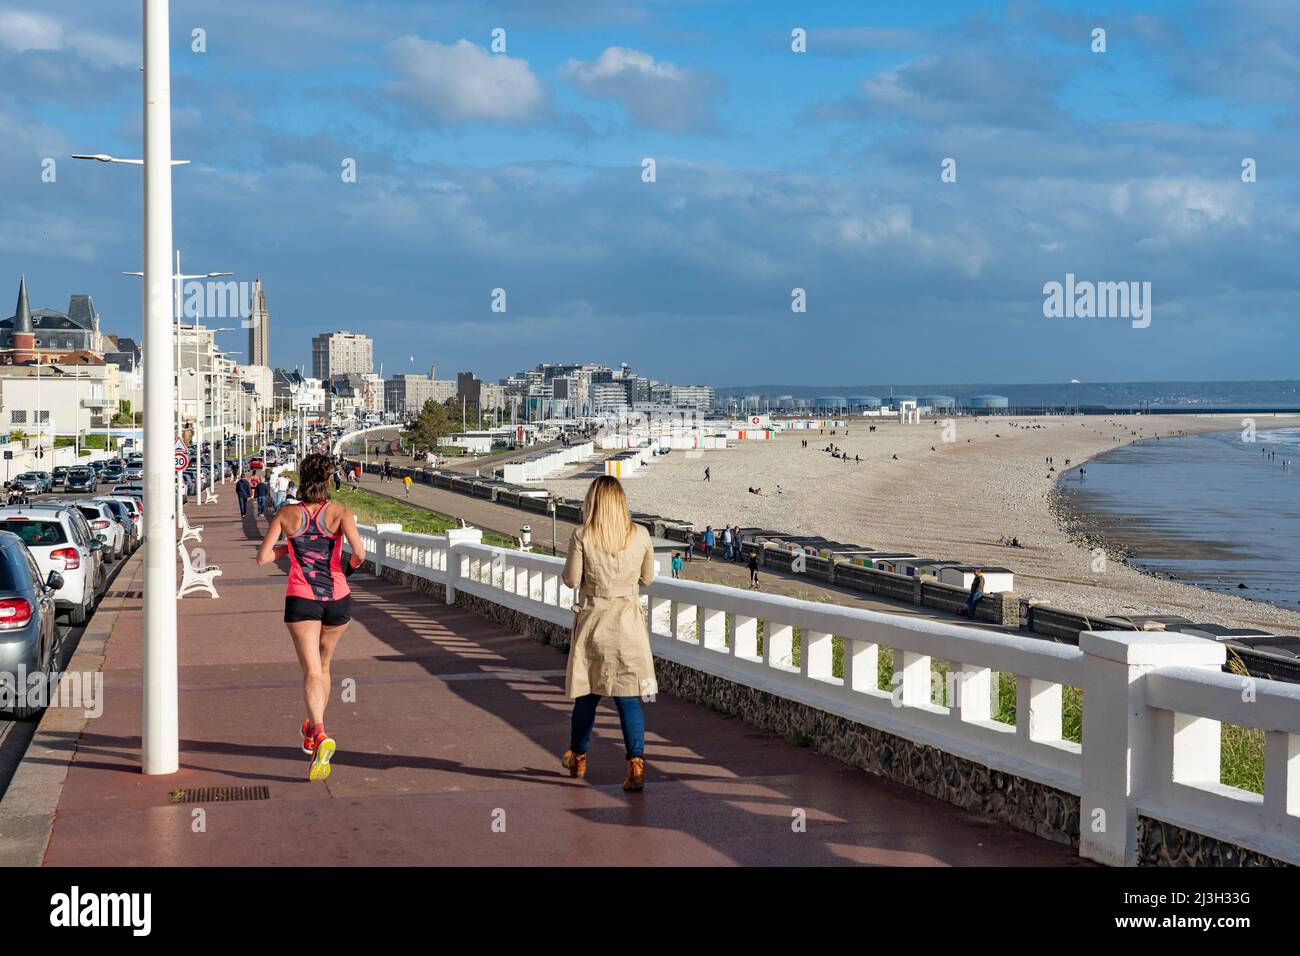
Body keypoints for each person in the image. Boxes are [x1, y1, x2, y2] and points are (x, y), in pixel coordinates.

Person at [257, 453, 366, 783]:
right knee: (325, 666)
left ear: (302, 478)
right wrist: (345, 571)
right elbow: (360, 554)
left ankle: (319, 733)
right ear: (330, 480)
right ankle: (310, 729)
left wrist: (289, 549)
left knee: (310, 670)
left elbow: (263, 558)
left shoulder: (287, 514)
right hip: (337, 597)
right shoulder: (340, 512)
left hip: (302, 598)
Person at [560, 476, 655, 792]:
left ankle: (578, 756)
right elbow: (647, 579)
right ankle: (635, 765)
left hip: (595, 626)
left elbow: (572, 580)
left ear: (594, 502)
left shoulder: (582, 535)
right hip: (628, 627)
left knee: (588, 696)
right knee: (628, 698)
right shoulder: (640, 535)